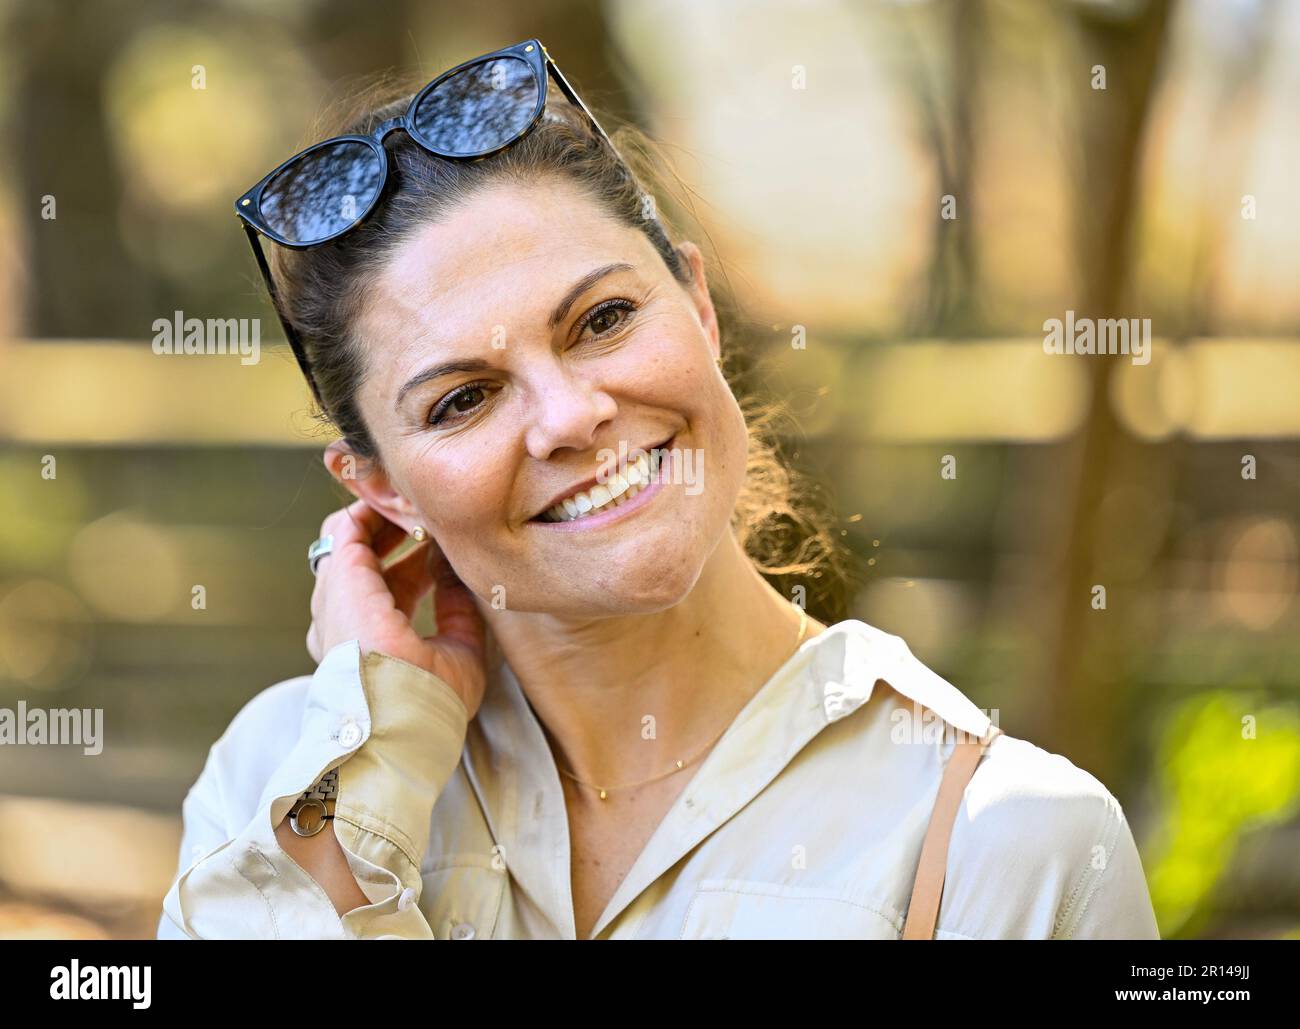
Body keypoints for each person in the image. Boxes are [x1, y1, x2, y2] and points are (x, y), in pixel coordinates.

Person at [158, 39, 1160, 940]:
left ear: (699, 306)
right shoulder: (279, 788)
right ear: (381, 491)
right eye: (464, 398)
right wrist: (374, 770)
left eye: (601, 320)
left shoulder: (1016, 845)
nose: (569, 416)